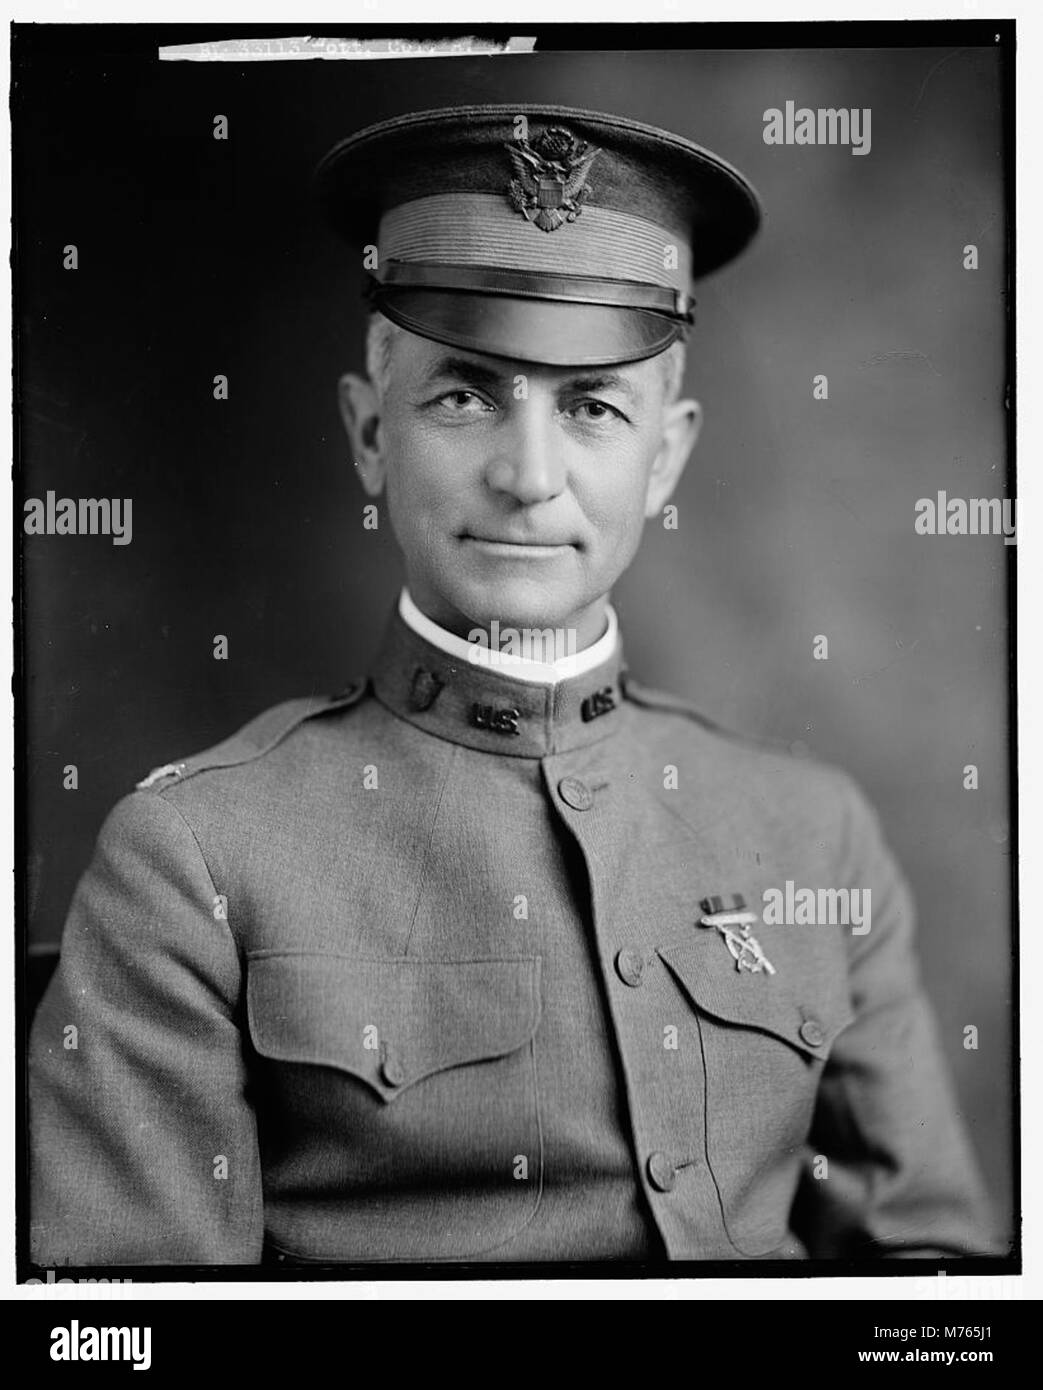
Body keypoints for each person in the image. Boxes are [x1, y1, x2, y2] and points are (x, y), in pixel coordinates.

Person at [29, 103, 998, 1266]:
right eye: (464, 395)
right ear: (368, 436)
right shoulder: (192, 859)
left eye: (591, 406)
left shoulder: (811, 835)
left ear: (669, 453)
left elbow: (932, 1294)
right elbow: (122, 1335)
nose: (528, 477)